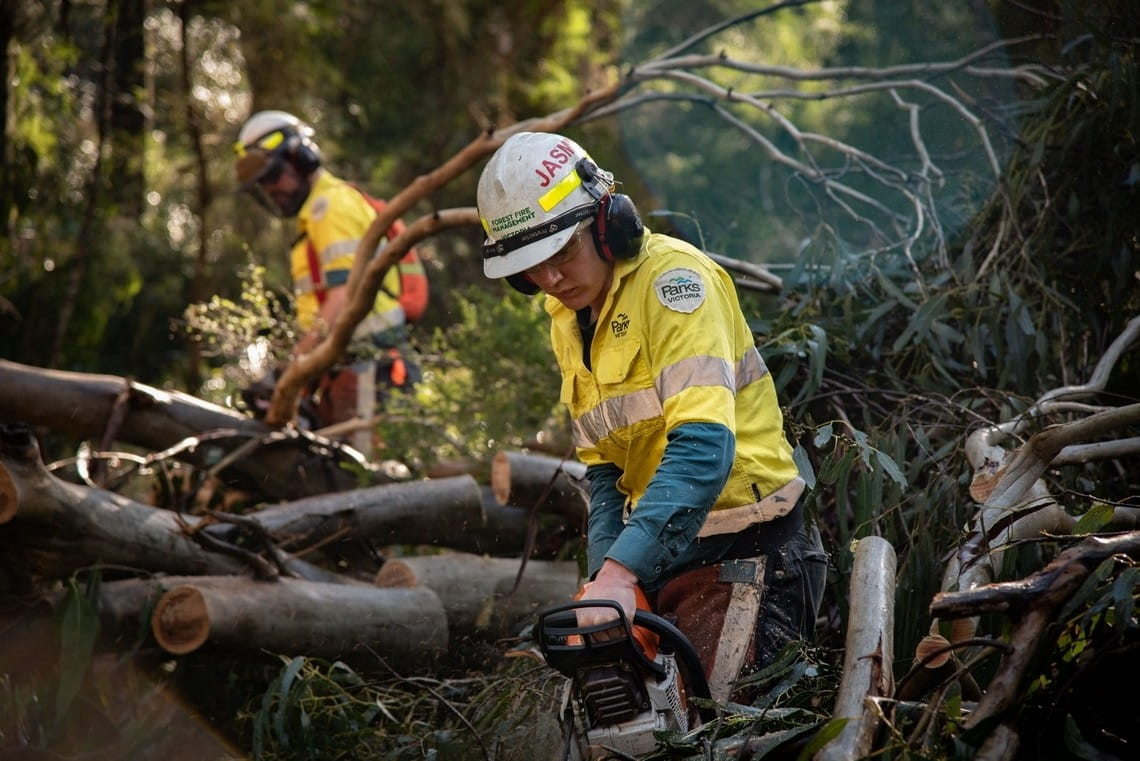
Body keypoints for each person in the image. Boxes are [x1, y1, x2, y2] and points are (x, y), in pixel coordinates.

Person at [476, 131, 827, 701]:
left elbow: (704, 448)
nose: (552, 279)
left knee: (722, 735)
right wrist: (606, 579)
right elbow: (604, 473)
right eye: (532, 268)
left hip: (746, 551)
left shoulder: (673, 285)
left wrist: (623, 572)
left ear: (606, 222)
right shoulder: (566, 319)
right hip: (665, 555)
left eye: (562, 253)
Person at [232, 110, 426, 451]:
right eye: (264, 183)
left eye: (274, 175)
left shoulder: (330, 209)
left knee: (367, 477)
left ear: (302, 159)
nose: (272, 189)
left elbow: (344, 297)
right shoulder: (315, 216)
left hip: (370, 366)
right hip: (348, 368)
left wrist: (293, 367)